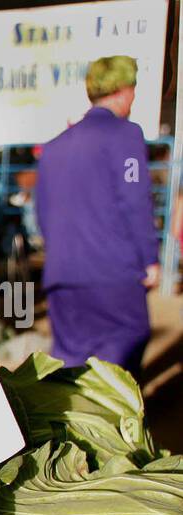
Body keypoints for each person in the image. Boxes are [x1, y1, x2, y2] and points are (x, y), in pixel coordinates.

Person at [35, 55, 159, 377]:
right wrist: (149, 259)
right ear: (123, 90)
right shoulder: (126, 136)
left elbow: (43, 213)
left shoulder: (53, 147)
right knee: (126, 346)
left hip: (62, 274)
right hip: (112, 273)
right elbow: (135, 200)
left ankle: (74, 423)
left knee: (70, 361)